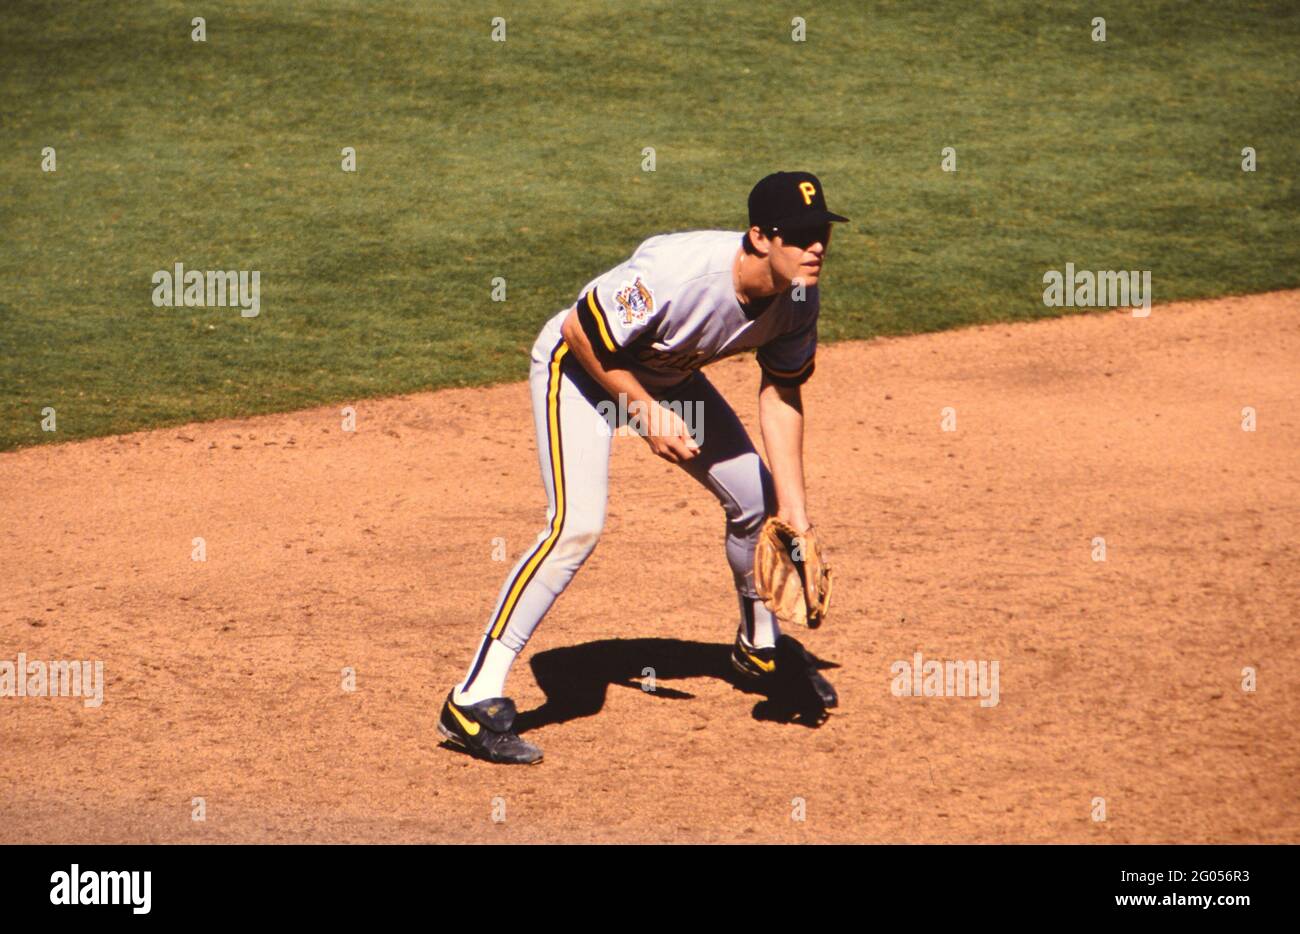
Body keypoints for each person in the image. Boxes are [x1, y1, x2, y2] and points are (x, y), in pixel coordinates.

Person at [438, 171, 848, 764]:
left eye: (824, 235)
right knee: (575, 526)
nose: (817, 248)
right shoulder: (678, 275)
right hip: (578, 372)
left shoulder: (799, 299)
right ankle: (471, 700)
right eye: (802, 235)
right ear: (760, 238)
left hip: (667, 381)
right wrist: (646, 413)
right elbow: (583, 331)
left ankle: (758, 648)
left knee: (760, 504)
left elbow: (781, 394)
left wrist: (800, 517)